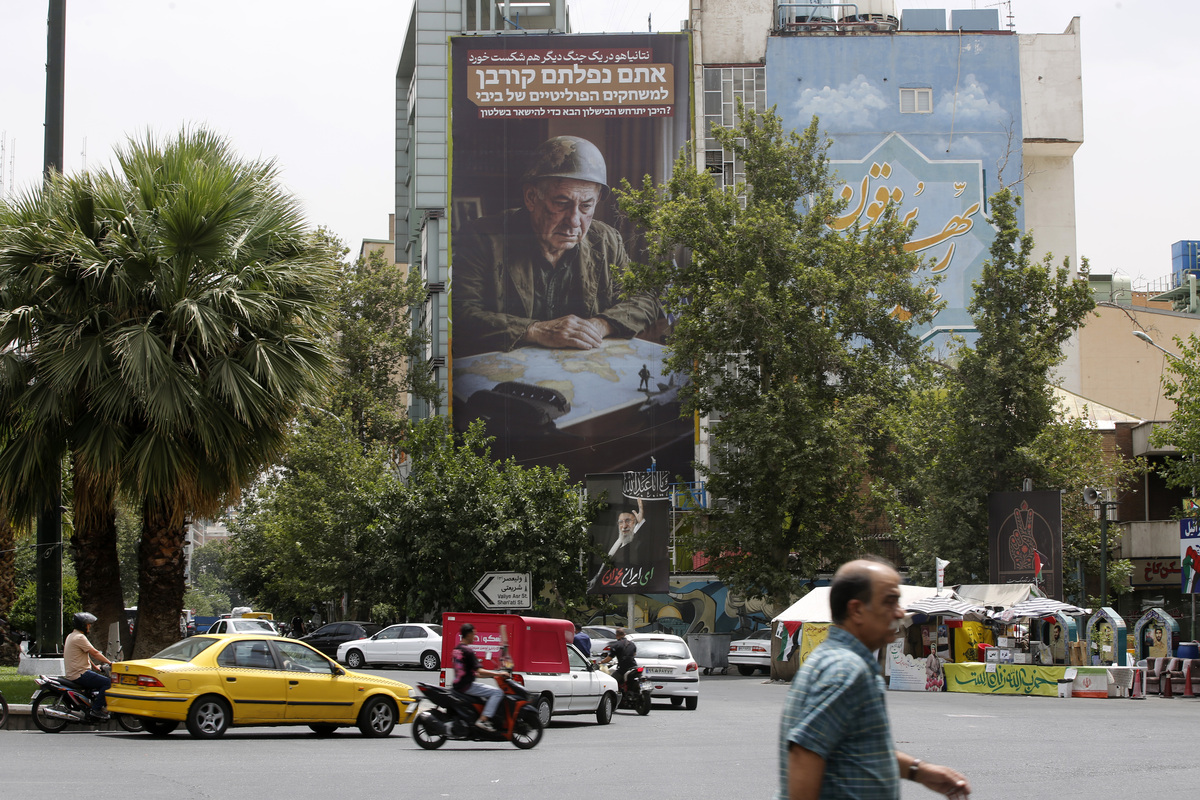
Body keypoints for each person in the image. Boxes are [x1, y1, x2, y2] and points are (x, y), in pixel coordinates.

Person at [777, 558, 971, 800]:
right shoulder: (845, 670)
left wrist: (919, 771)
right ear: (857, 610)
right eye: (890, 602)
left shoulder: (841, 662)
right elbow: (805, 752)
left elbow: (862, 750)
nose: (900, 612)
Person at [453, 135, 660, 357]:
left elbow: (644, 299)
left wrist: (599, 325)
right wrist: (535, 330)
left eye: (586, 206)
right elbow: (459, 314)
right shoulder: (482, 238)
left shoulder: (607, 240)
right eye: (561, 204)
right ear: (531, 197)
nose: (574, 220)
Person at [451, 622, 507, 732]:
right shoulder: (468, 651)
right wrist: (499, 674)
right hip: (467, 686)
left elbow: (468, 671)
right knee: (497, 692)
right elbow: (479, 670)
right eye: (473, 634)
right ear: (468, 634)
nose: (475, 637)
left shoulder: (457, 649)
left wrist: (487, 676)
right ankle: (483, 720)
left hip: (458, 684)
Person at [64, 612, 114, 720]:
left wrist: (95, 667)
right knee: (108, 683)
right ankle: (96, 709)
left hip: (73, 672)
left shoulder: (71, 635)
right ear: (82, 625)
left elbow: (84, 654)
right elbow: (94, 653)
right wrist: (110, 663)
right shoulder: (80, 637)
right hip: (80, 674)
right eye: (88, 624)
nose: (89, 626)